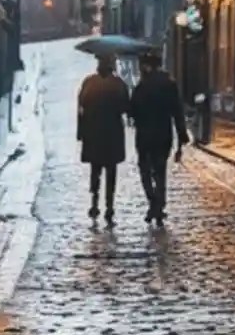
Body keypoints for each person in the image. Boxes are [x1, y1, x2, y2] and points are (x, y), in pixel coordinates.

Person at [129, 51, 189, 226]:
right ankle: (159, 204)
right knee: (160, 171)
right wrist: (182, 135)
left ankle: (153, 202)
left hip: (145, 137)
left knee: (145, 171)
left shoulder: (141, 86)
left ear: (146, 66)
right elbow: (177, 111)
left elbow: (132, 112)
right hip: (164, 135)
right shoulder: (169, 83)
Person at [78, 54, 130, 226]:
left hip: (93, 134)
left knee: (95, 170)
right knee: (111, 172)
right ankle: (109, 206)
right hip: (112, 135)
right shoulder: (118, 84)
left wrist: (81, 132)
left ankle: (94, 202)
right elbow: (125, 107)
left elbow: (81, 108)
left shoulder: (88, 82)